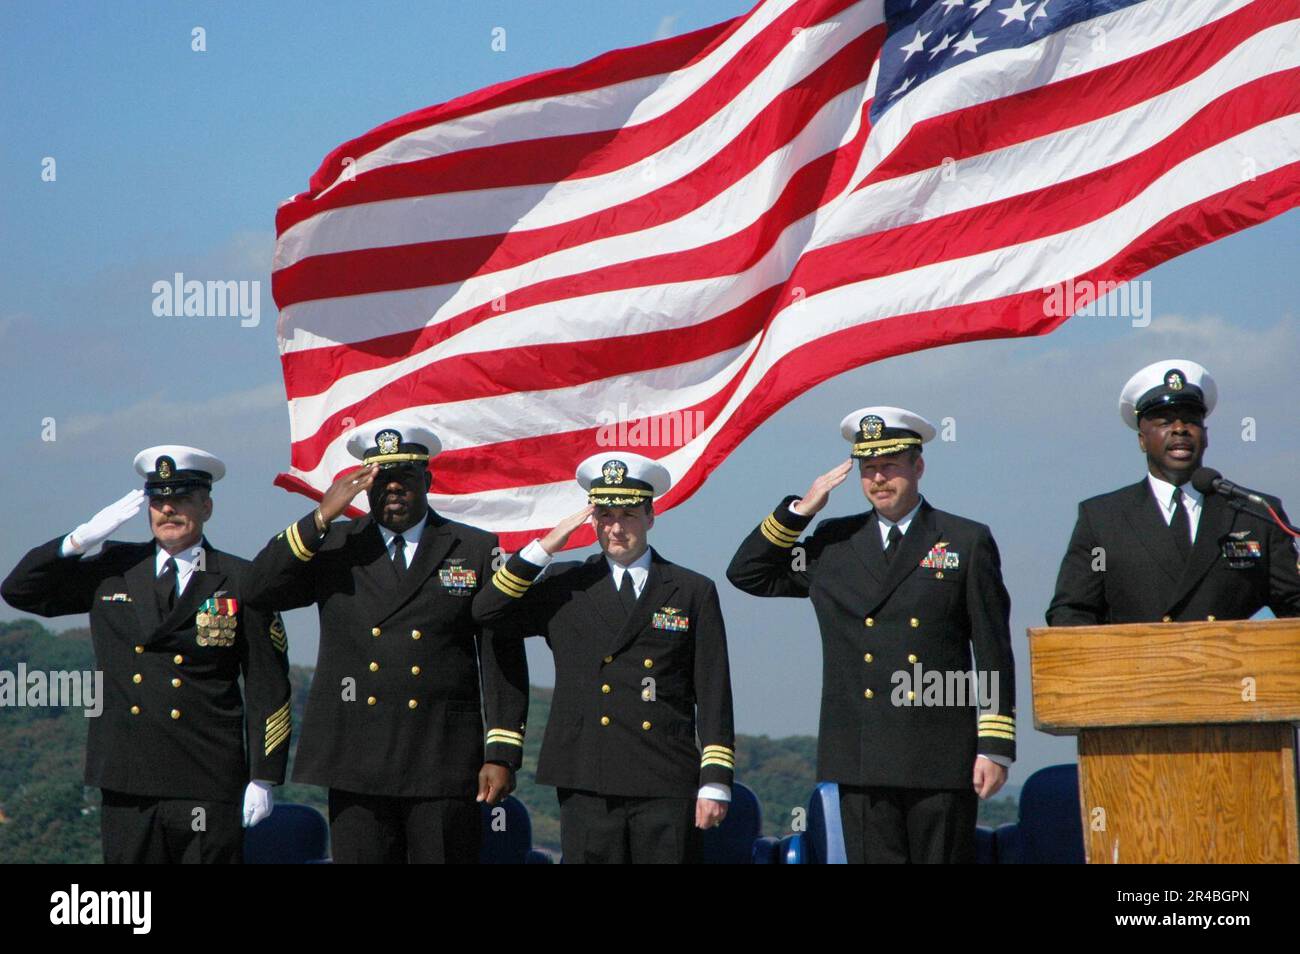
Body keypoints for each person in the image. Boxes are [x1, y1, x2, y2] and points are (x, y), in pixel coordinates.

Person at [727, 407, 1015, 863]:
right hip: (860, 755)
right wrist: (801, 511)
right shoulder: (834, 544)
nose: (879, 478)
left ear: (918, 466)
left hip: (938, 755)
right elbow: (749, 574)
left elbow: (993, 649)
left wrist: (996, 746)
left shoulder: (963, 540)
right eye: (868, 468)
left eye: (890, 466)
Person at [244, 419, 528, 863]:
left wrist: (502, 752)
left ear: (427, 480)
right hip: (358, 757)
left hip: (444, 757)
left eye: (405, 478)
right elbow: (257, 589)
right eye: (380, 480)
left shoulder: (472, 548)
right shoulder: (334, 546)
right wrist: (321, 514)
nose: (393, 489)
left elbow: (501, 654)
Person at [2, 446, 290, 863]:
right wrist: (77, 540)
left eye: (181, 500)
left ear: (206, 506)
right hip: (128, 778)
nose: (167, 510)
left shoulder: (242, 578)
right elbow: (20, 591)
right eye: (158, 501)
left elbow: (268, 684)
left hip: (207, 775)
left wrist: (264, 776)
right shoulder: (114, 568)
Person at [473, 452, 735, 864]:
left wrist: (715, 781)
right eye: (606, 515)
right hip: (586, 774)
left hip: (665, 773)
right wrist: (544, 547)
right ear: (592, 520)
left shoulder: (690, 590)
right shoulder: (566, 584)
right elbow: (488, 611)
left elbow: (714, 690)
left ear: (651, 516)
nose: (616, 527)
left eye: (628, 514)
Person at [1048, 359, 1300, 625]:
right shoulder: (1102, 520)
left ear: (1205, 435)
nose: (1180, 429)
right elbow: (1072, 613)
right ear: (1142, 440)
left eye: (1191, 421)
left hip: (1231, 665)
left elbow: (1294, 604)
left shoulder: (1254, 513)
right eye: (1165, 421)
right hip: (1136, 665)